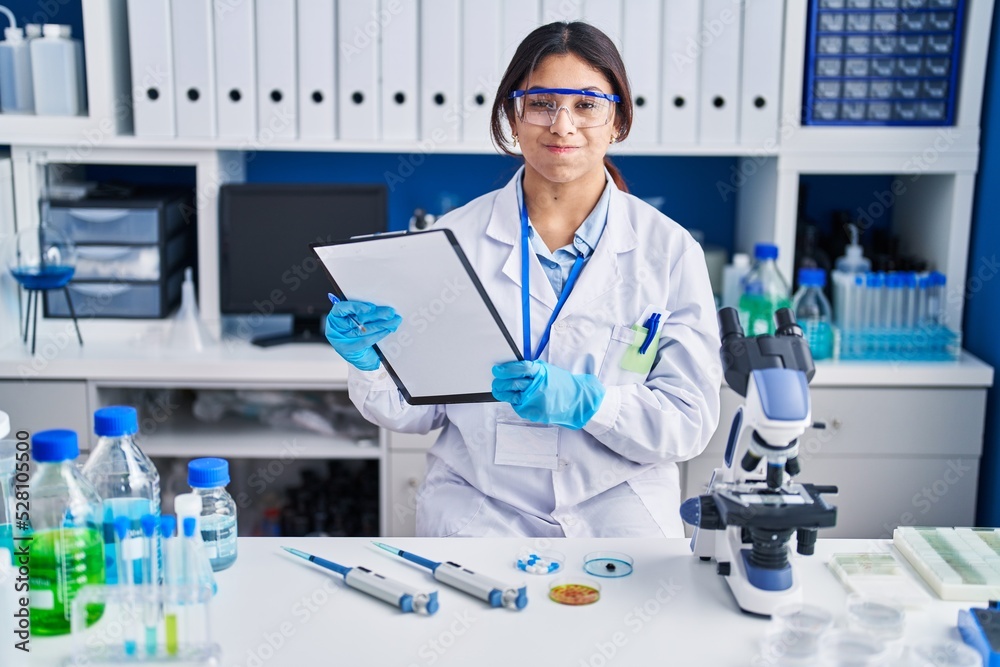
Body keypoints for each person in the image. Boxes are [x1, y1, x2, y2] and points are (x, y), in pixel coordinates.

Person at [325, 22, 721, 538]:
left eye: (587, 104)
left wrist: (594, 403)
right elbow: (418, 415)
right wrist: (372, 363)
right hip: (480, 503)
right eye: (541, 103)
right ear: (514, 115)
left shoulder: (667, 251)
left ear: (618, 121)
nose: (562, 125)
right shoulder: (454, 238)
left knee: (630, 612)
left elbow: (688, 421)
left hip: (615, 502)